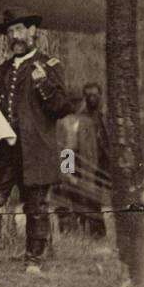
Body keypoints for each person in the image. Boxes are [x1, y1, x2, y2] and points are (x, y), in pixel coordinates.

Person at [0, 8, 78, 274]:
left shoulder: (50, 66)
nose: (14, 36)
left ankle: (34, 261)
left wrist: (43, 85)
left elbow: (63, 107)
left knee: (37, 208)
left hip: (35, 150)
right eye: (10, 32)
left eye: (19, 30)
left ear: (33, 31)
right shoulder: (2, 69)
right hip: (2, 150)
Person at [58, 82, 109, 238]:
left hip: (90, 168)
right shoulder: (67, 122)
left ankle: (95, 235)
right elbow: (67, 148)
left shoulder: (88, 121)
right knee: (70, 201)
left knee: (91, 201)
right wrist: (68, 173)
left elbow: (93, 148)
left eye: (78, 101)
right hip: (75, 168)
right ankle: (72, 234)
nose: (77, 105)